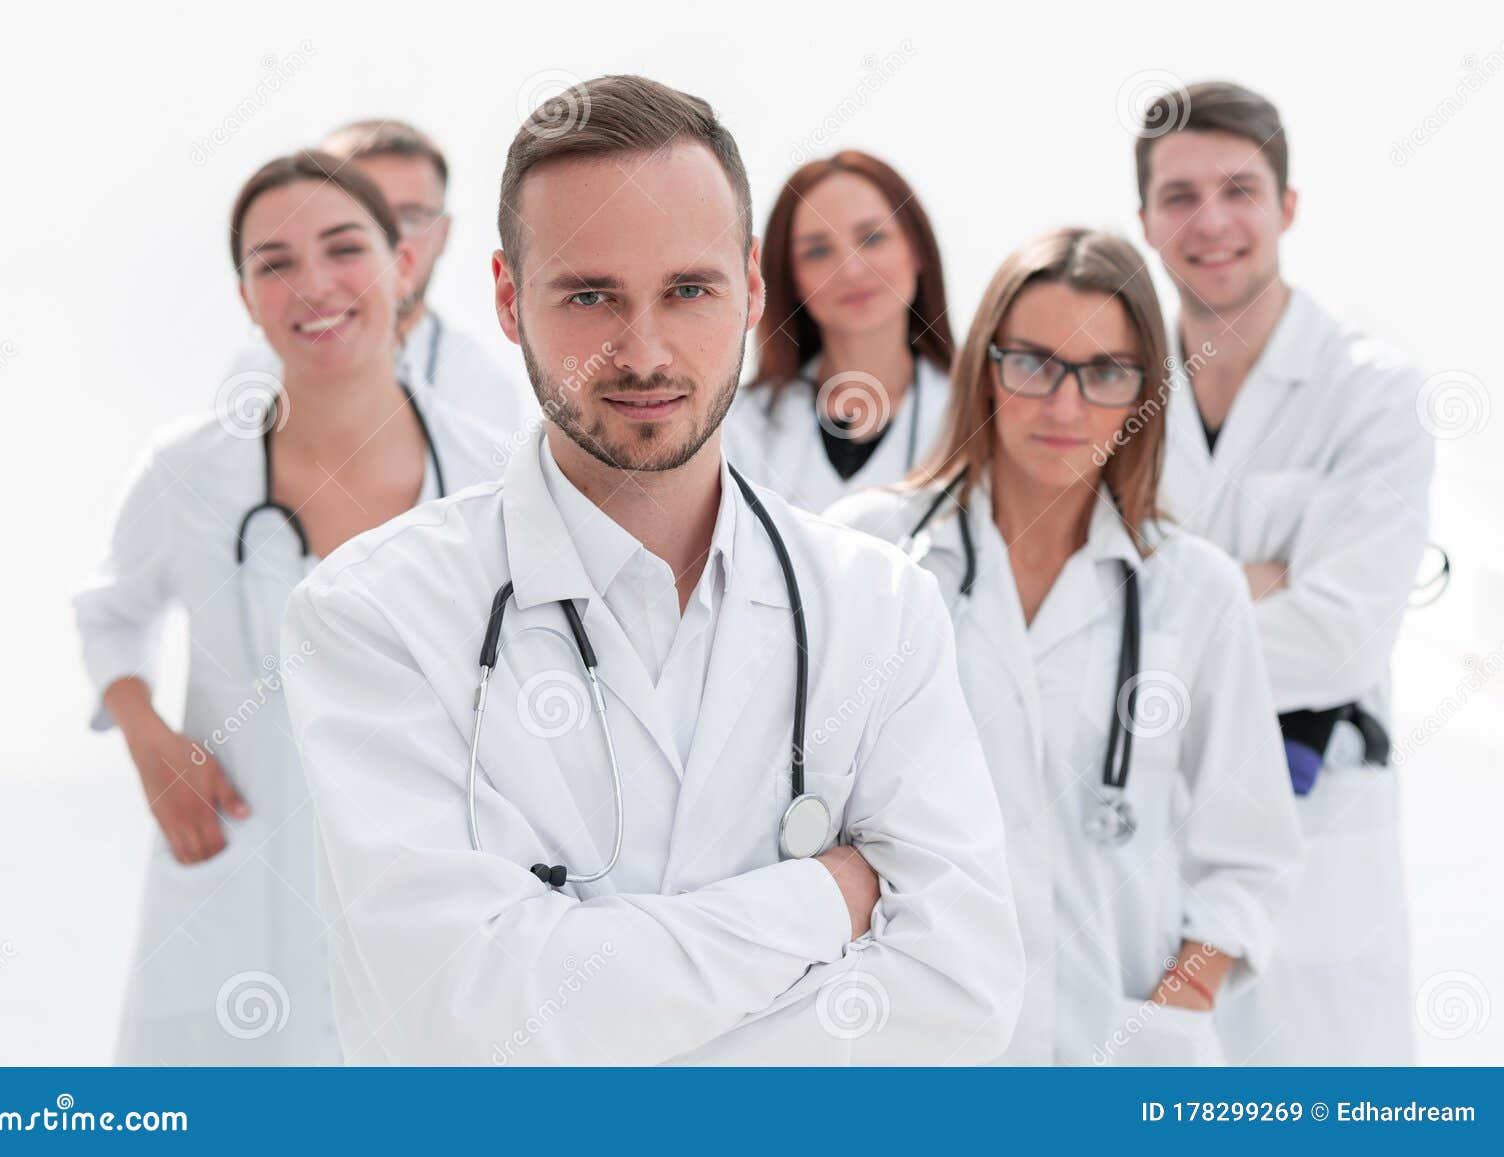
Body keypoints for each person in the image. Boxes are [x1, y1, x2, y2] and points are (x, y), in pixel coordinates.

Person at [280, 75, 1024, 1066]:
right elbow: (467, 1020)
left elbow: (960, 998)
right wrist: (826, 896)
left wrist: (601, 1026)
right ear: (508, 298)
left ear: (752, 288)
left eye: (688, 290)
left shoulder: (877, 606)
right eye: (590, 296)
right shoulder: (374, 614)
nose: (643, 352)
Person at [828, 227, 1303, 1065]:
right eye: (1034, 363)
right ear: (986, 367)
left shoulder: (1194, 588)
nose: (1064, 405)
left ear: (1145, 390)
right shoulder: (867, 553)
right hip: (909, 1047)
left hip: (1115, 1053)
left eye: (1105, 373)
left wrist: (1165, 1017)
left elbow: (1252, 855)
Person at [74, 151, 505, 1064]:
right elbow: (111, 612)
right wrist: (149, 739)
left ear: (402, 266)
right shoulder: (191, 469)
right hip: (238, 896)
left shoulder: (497, 478)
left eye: (343, 248)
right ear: (246, 297)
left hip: (445, 912)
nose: (312, 284)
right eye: (273, 263)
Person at [1135, 81, 1435, 1063]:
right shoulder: (1115, 393)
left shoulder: (1370, 390)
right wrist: (1253, 582)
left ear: (1286, 206)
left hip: (1318, 855)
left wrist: (1151, 634)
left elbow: (1340, 638)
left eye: (1239, 189)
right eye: (1179, 195)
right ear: (1144, 218)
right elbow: (1058, 601)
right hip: (1145, 855)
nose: (1210, 221)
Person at [224, 119, 533, 435]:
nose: (390, 235)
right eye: (362, 215)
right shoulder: (249, 380)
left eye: (410, 217)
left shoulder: (480, 391)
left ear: (441, 236)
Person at [725, 151, 954, 511]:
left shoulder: (973, 415)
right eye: (817, 252)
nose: (851, 269)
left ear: (917, 249)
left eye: (873, 238)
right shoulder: (740, 427)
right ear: (791, 280)